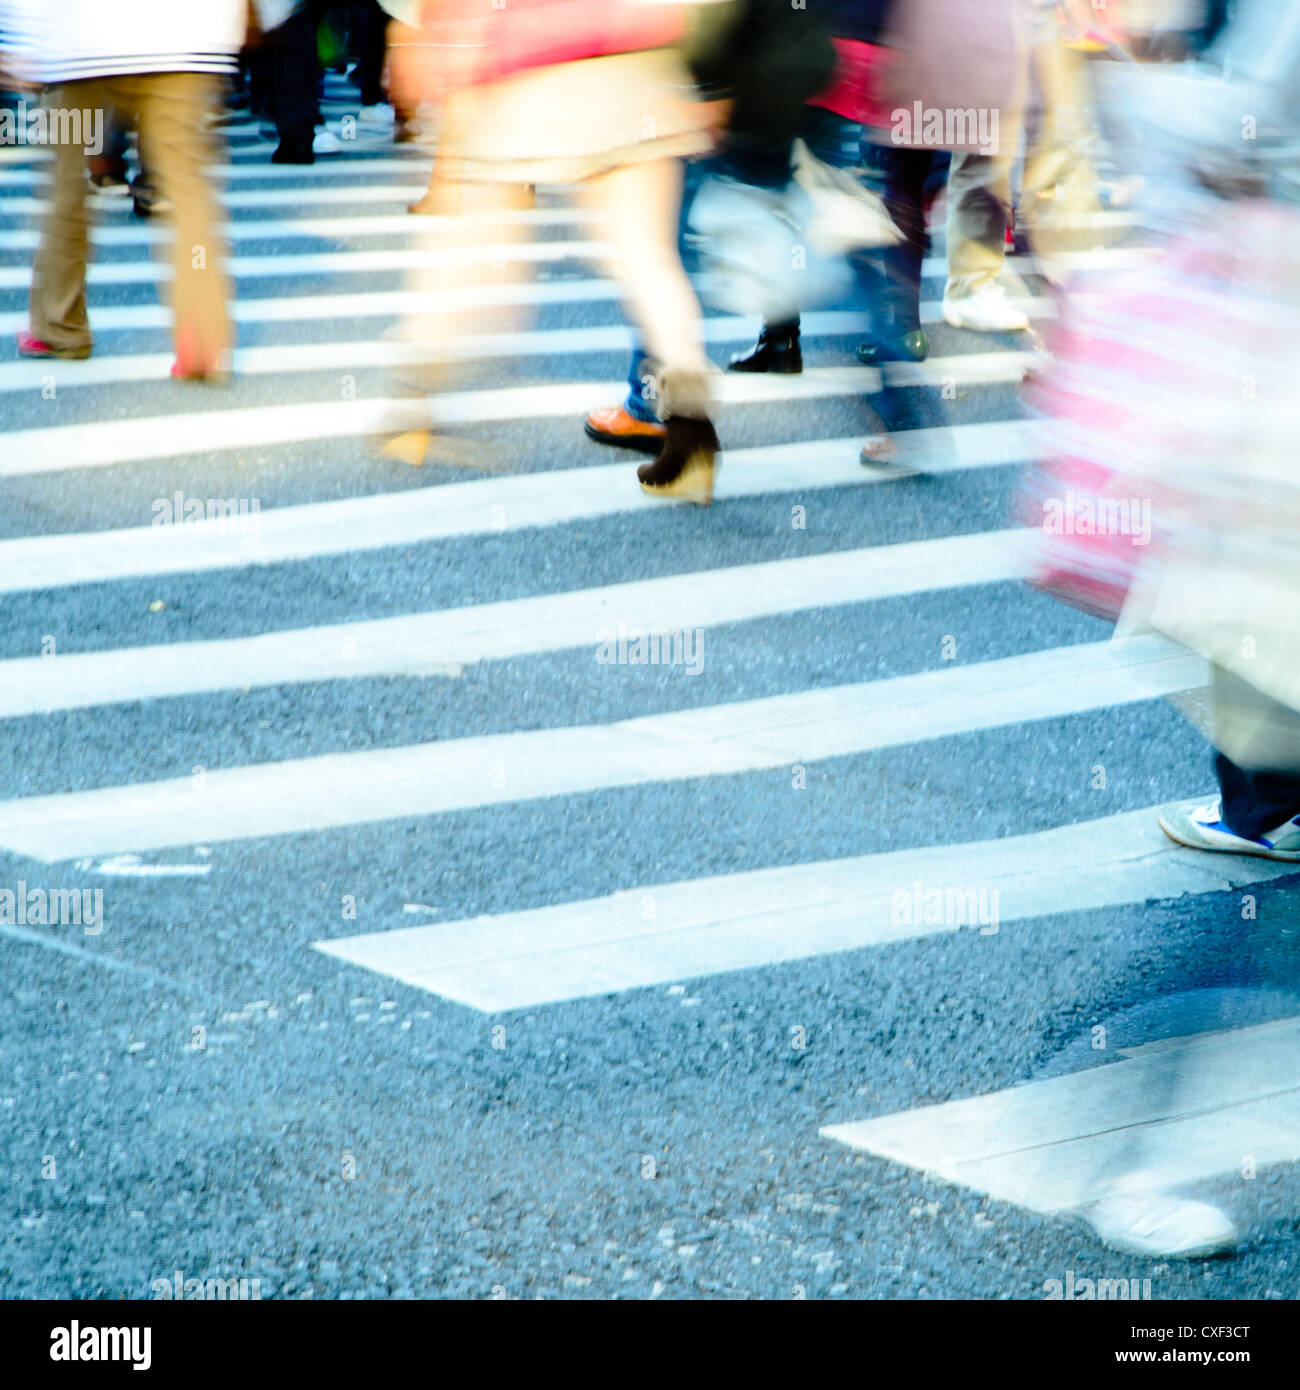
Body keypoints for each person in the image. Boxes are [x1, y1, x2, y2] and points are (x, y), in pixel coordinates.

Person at [383, 0, 731, 503]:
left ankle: (415, 392)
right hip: (639, 64)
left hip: (527, 74)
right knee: (648, 259)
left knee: (477, 244)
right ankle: (691, 433)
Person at [2, 0, 246, 377]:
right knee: (187, 191)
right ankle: (202, 335)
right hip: (184, 43)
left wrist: (21, 39)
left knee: (68, 185)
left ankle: (59, 325)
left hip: (80, 46)